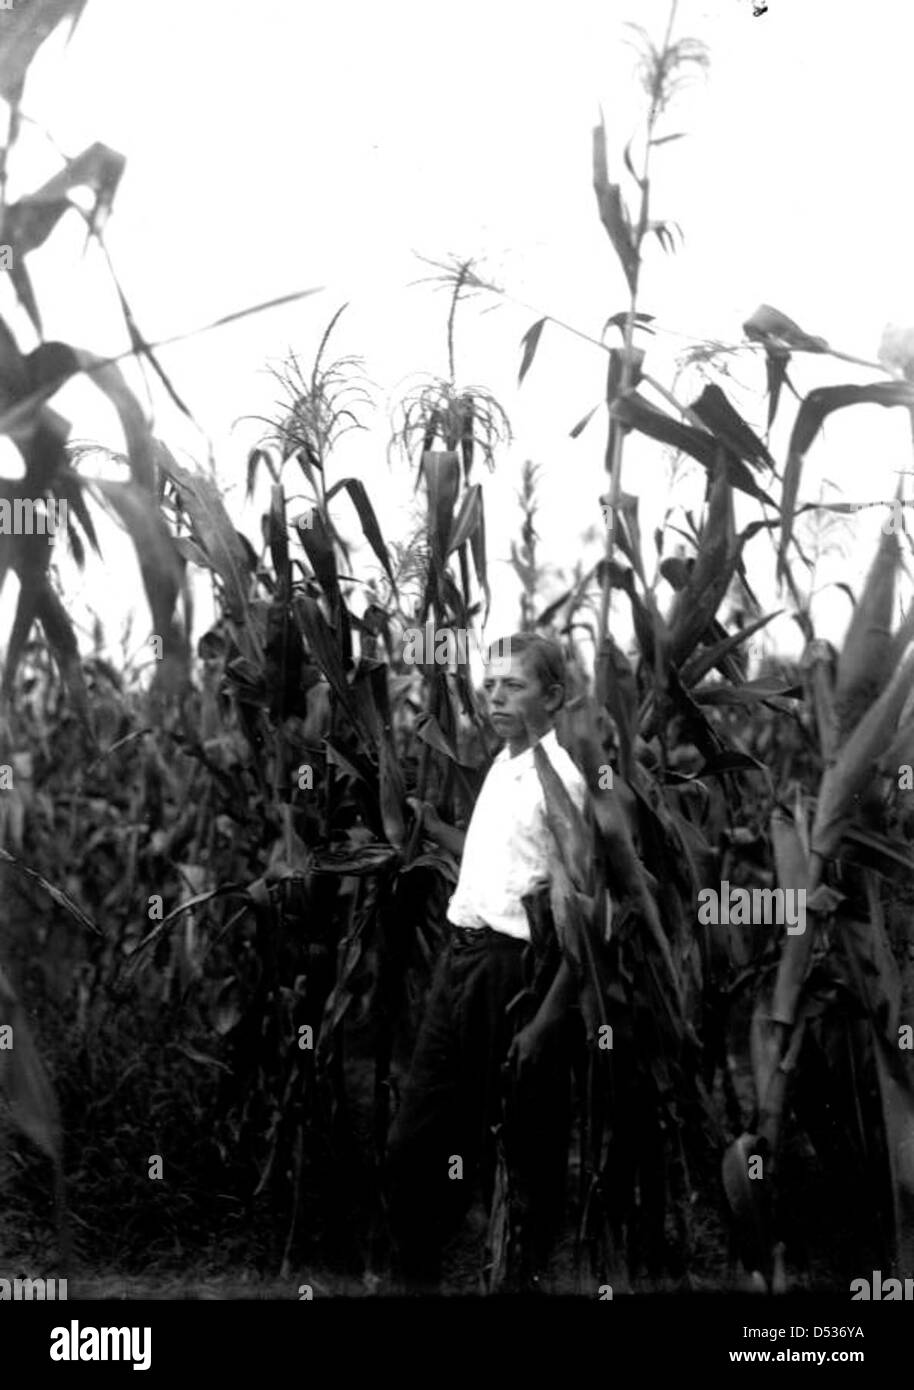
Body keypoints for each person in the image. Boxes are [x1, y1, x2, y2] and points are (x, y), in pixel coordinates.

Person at [386, 632, 588, 1293]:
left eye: (516, 685)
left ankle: (516, 1276)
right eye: (491, 684)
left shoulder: (562, 782)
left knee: (519, 1150)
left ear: (554, 697)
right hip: (459, 962)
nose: (495, 696)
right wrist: (425, 822)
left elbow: (584, 915)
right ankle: (414, 1277)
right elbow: (496, 857)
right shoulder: (505, 764)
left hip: (509, 971)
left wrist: (549, 1018)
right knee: (417, 1138)